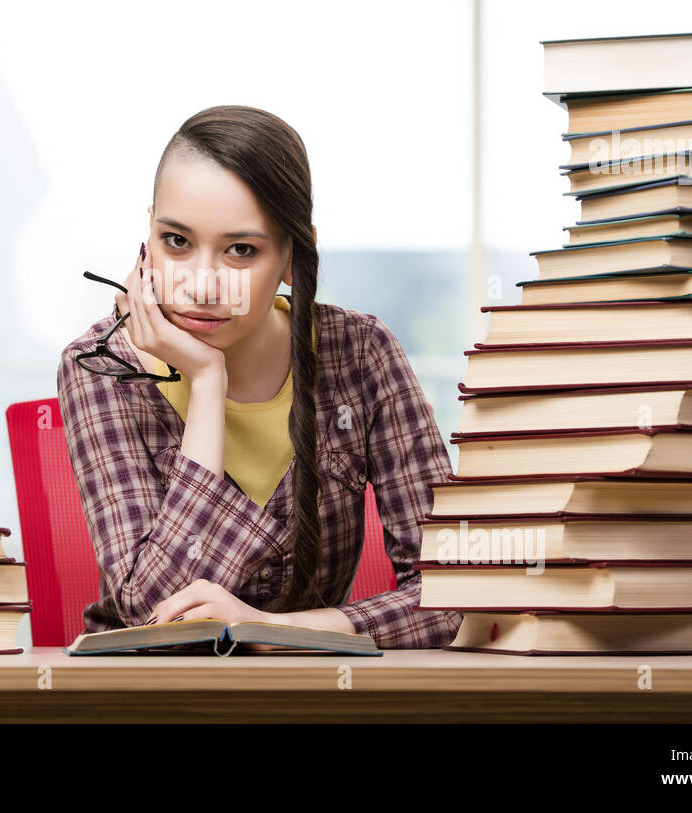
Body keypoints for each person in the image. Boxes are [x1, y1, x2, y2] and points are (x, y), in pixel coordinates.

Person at [55, 105, 462, 649]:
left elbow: (455, 588)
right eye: (176, 241)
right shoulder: (103, 366)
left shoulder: (360, 354)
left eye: (241, 250)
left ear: (295, 255)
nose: (201, 286)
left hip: (311, 694)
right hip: (144, 701)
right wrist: (205, 382)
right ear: (147, 238)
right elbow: (155, 617)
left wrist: (278, 630)